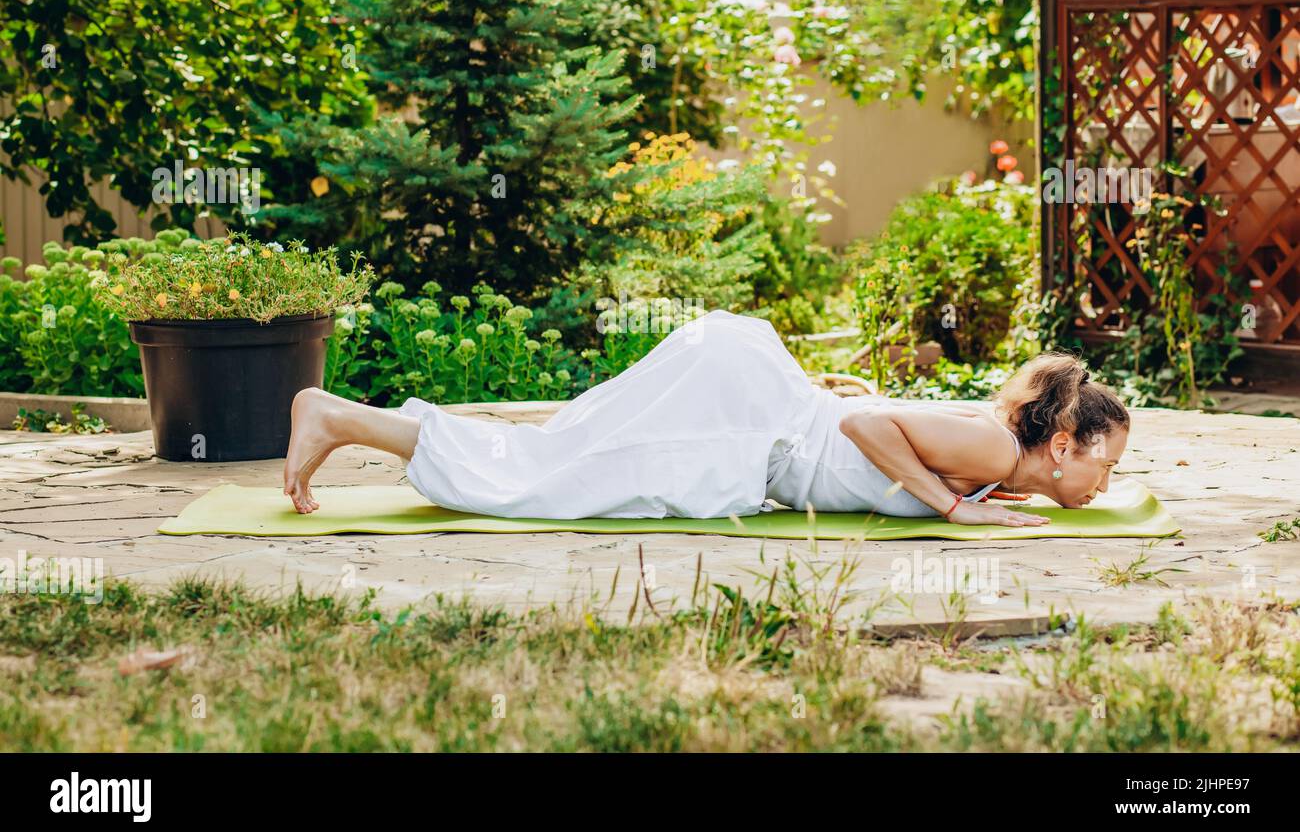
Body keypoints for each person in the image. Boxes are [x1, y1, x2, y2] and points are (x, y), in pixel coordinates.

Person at [283, 309, 1129, 527]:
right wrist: (948, 503)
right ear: (1061, 445)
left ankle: (343, 418)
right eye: (1108, 463)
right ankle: (333, 416)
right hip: (739, 428)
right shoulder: (986, 442)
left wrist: (968, 497)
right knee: (546, 478)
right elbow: (860, 431)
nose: (1109, 481)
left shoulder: (993, 462)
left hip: (745, 429)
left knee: (552, 460)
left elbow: (877, 430)